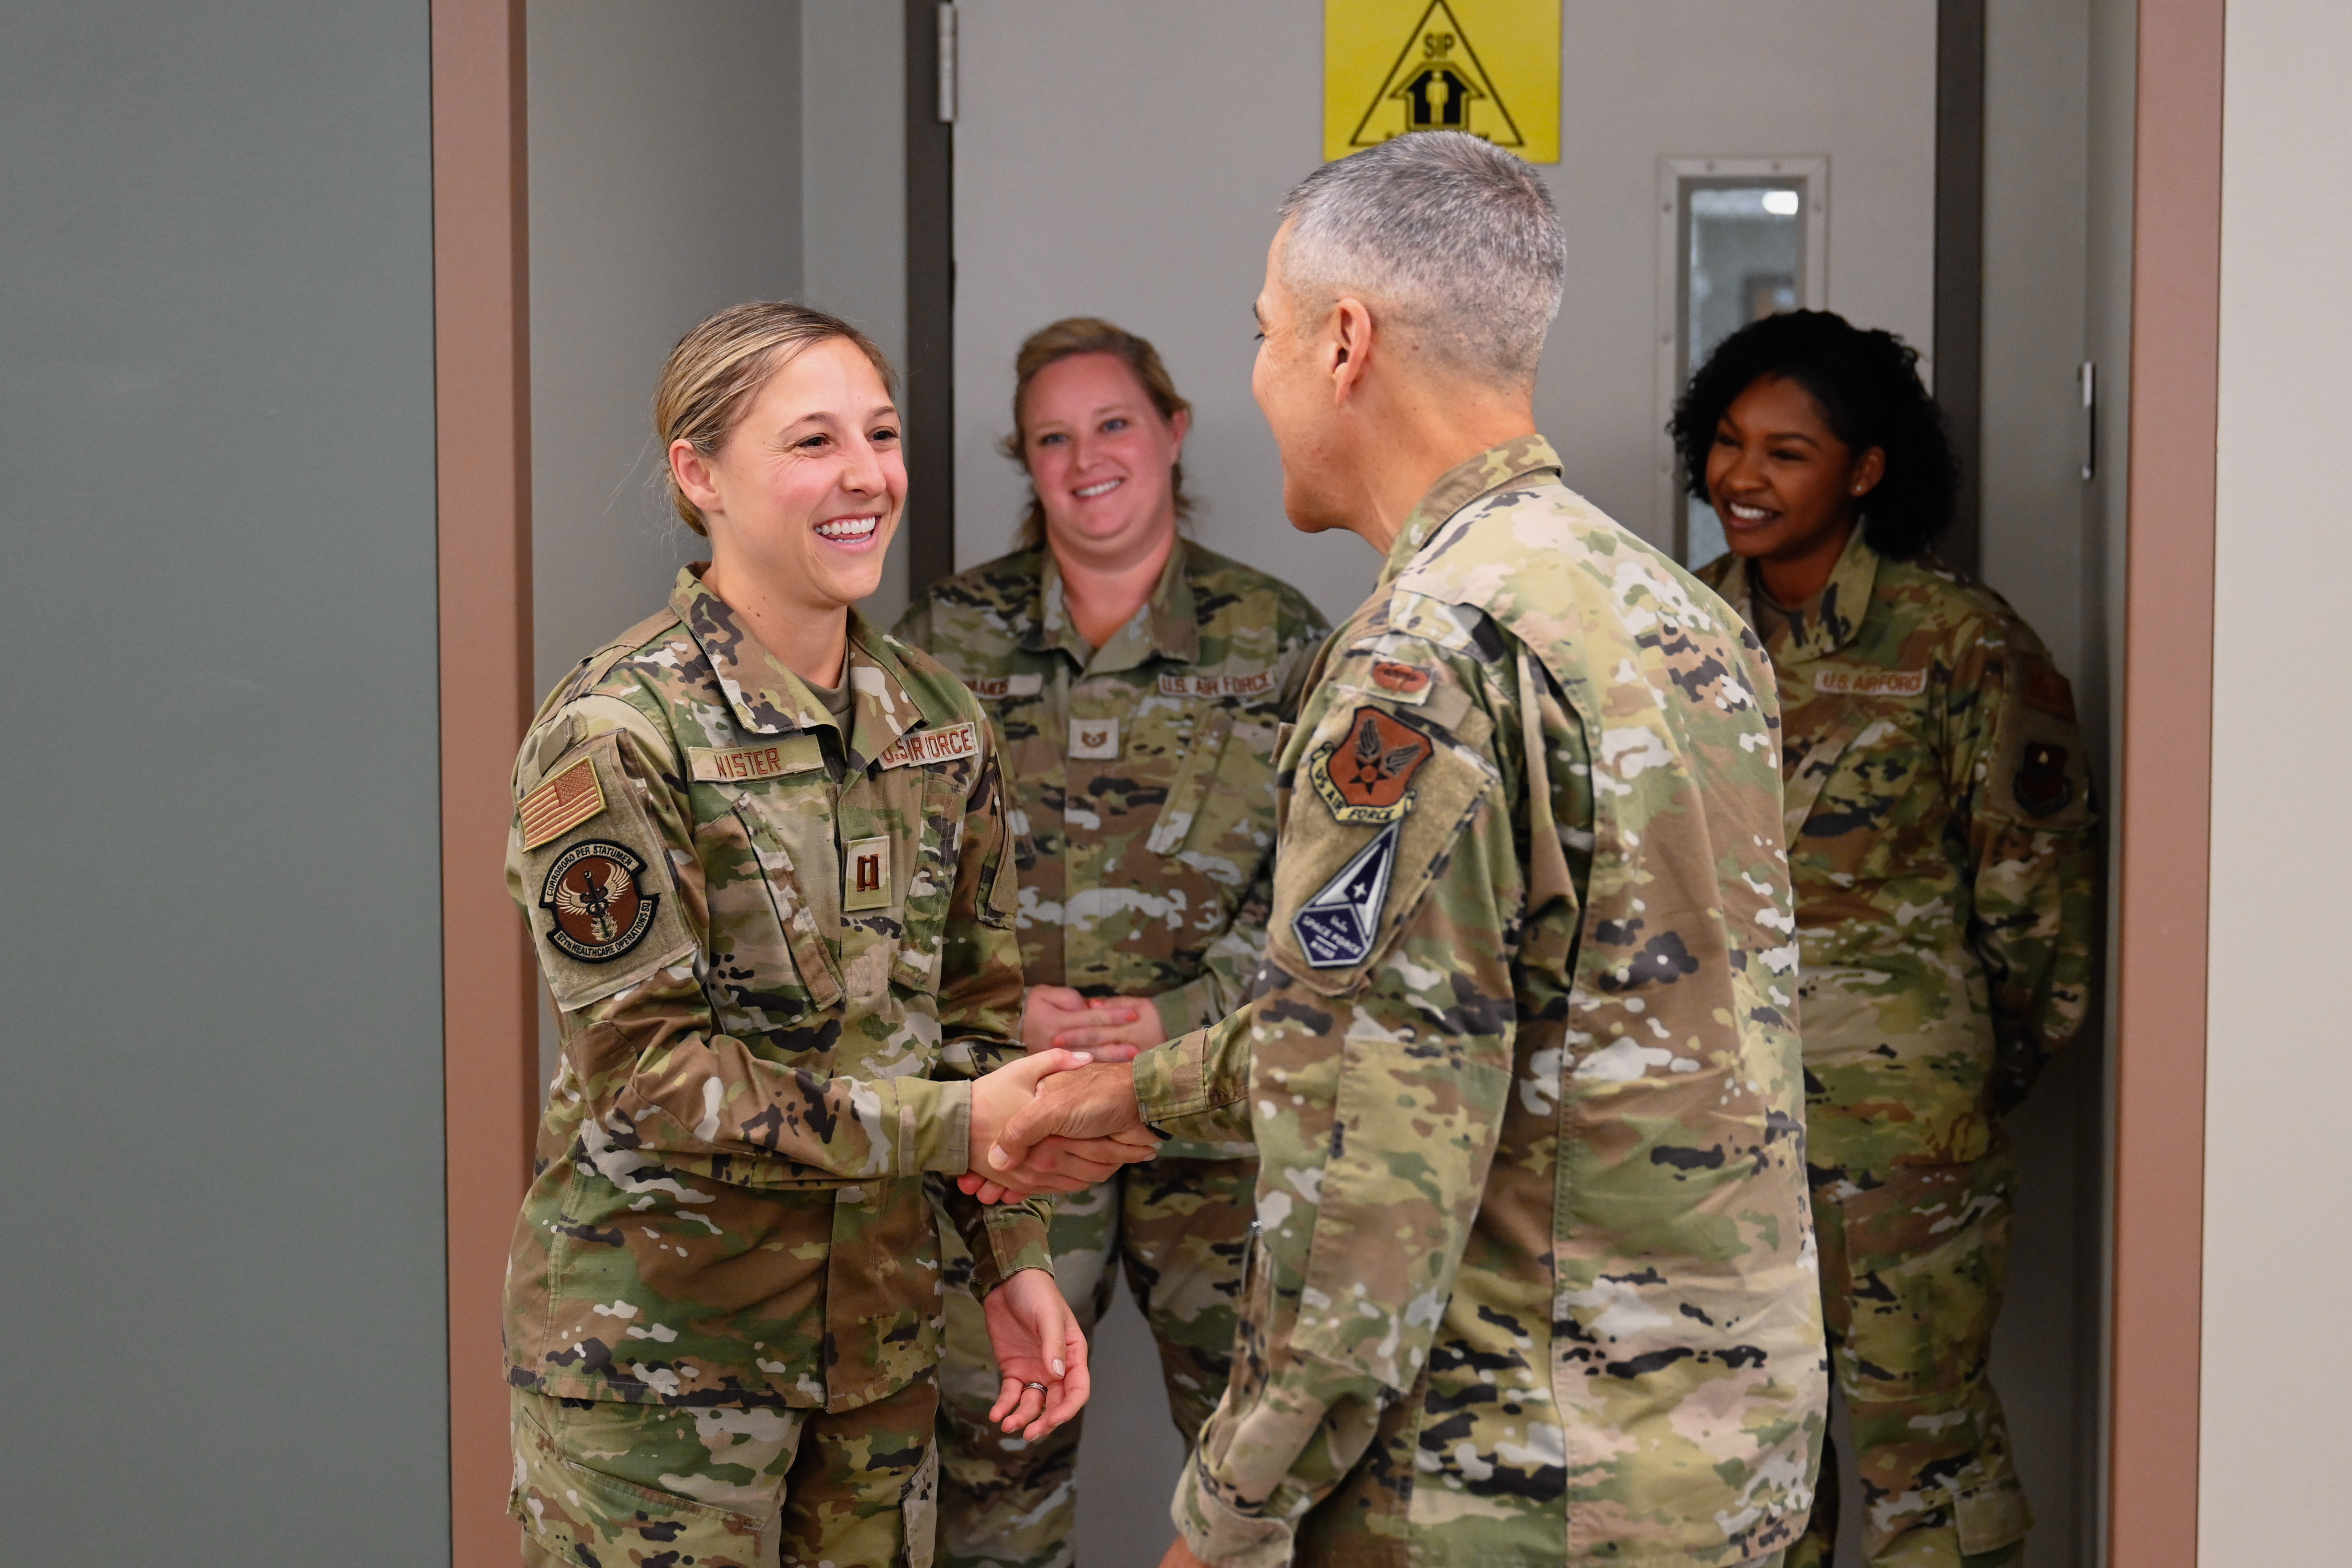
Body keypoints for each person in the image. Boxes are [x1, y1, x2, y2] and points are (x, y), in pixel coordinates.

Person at [977, 132, 1827, 1567]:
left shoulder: (1426, 657)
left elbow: (1370, 1157)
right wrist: (1129, 1094)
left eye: (1263, 334)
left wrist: (1231, 1513)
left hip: (1504, 1479)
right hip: (1713, 1460)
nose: (1259, 375)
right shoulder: (1672, 610)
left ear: (1343, 341)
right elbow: (1485, 1029)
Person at [499, 301, 1152, 1568]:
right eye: (810, 442)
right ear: (700, 475)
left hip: (875, 1370)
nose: (865, 476)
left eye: (882, 433)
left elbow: (970, 1017)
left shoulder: (937, 719)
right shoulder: (615, 735)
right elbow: (648, 1079)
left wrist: (1008, 1252)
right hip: (659, 1386)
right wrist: (960, 1127)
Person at [896, 318, 1331, 1568]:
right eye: (1052, 436)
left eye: (1113, 424)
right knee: (995, 1434)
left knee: (1261, 1458)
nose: (1086, 460)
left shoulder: (1277, 634)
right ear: (1023, 460)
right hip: (1020, 1109)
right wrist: (1003, 1005)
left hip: (1222, 1104)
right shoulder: (947, 638)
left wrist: (1183, 1014)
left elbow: (1332, 874)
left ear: (1172, 432)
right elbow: (892, 858)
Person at [1676, 310, 2096, 1568]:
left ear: (1864, 470)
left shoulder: (1957, 640)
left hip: (1903, 1143)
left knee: (1930, 1456)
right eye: (1727, 442)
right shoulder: (1671, 632)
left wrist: (1950, 1083)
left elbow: (2039, 915)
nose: (1743, 477)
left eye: (1786, 451)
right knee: (1742, 1461)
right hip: (1708, 1134)